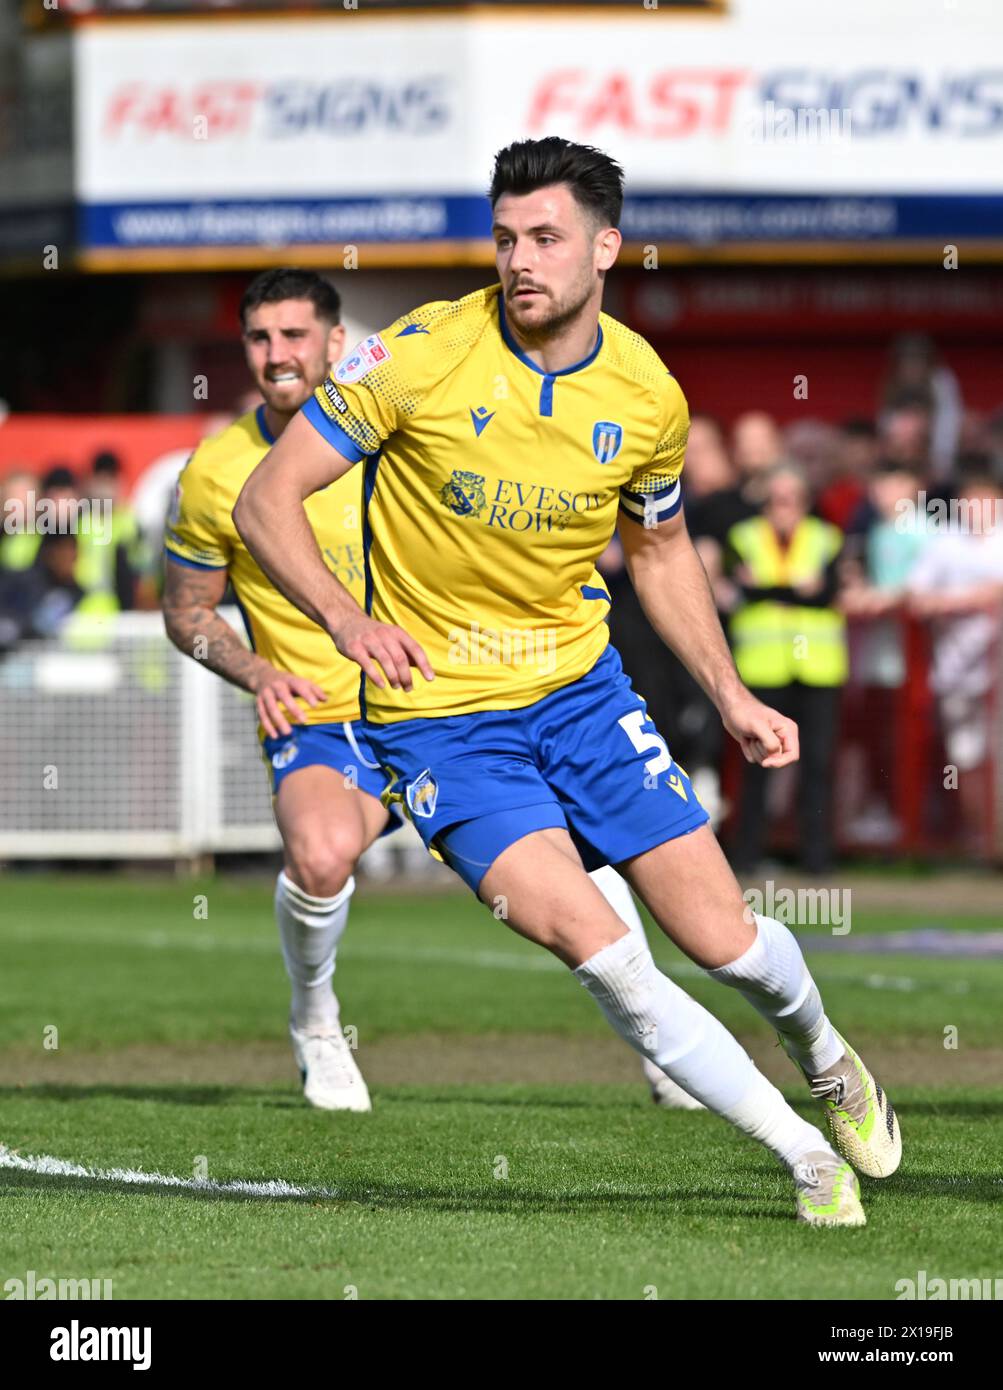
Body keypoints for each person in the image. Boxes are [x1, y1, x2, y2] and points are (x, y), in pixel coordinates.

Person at [234, 137, 900, 1225]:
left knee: (725, 942)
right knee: (608, 958)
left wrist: (729, 694)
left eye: (543, 237)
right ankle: (800, 1155)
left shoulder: (646, 394)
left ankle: (826, 1056)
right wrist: (346, 619)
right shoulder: (419, 354)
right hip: (440, 724)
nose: (519, 259)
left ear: (605, 247)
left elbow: (658, 548)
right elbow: (269, 498)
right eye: (504, 238)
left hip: (581, 695)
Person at [163, 267, 660, 1112]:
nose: (276, 355)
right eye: (258, 337)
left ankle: (662, 1050)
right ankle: (317, 1022)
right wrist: (255, 671)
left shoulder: (403, 425)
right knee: (319, 857)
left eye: (294, 336)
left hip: (457, 701)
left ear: (334, 344)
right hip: (330, 720)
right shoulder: (217, 471)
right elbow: (188, 612)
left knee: (592, 865)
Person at [726, 464, 848, 875]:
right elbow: (739, 589)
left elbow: (828, 591)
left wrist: (768, 588)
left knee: (817, 765)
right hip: (762, 671)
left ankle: (817, 859)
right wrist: (797, 589)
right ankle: (747, 856)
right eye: (775, 499)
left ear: (805, 501)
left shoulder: (826, 538)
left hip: (817, 669)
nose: (783, 507)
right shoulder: (743, 536)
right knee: (756, 766)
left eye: (791, 498)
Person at [908, 456, 1003, 856]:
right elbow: (916, 597)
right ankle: (984, 842)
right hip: (956, 671)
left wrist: (959, 601)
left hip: (997, 671)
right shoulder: (945, 540)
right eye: (970, 500)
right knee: (966, 757)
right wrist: (971, 600)